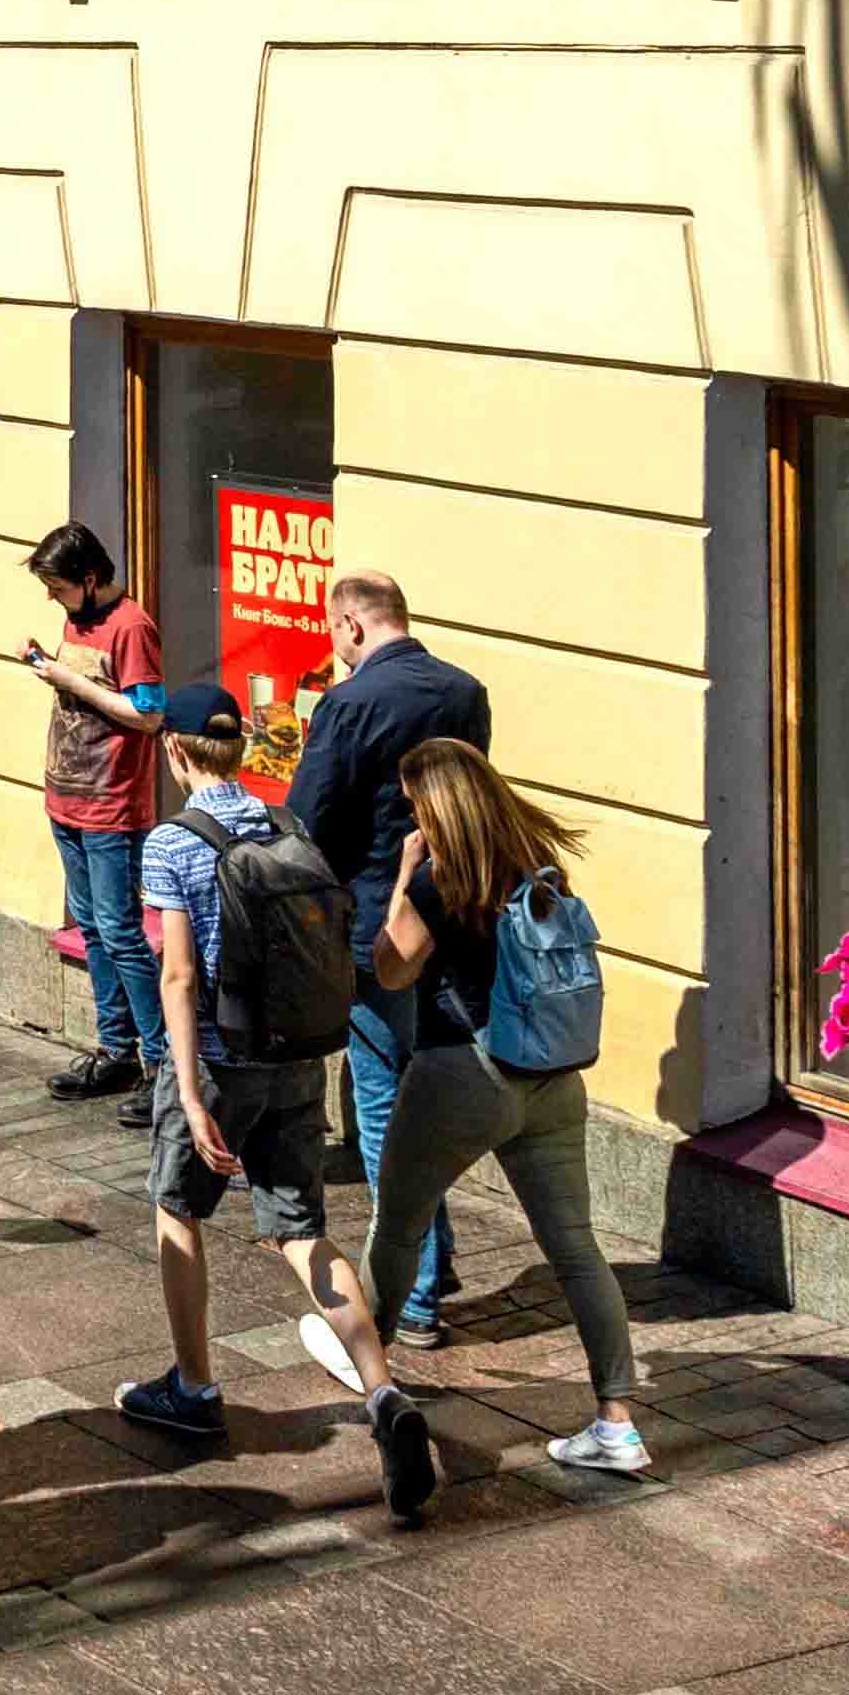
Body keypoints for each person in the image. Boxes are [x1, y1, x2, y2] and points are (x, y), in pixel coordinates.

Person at [119, 685, 438, 1523]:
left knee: (178, 1210)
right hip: (296, 1058)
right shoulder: (288, 825)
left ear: (176, 750)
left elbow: (177, 975)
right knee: (302, 1231)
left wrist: (188, 1090)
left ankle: (193, 1385)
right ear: (240, 750)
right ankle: (382, 1390)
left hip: (220, 1062)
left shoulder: (172, 843)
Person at [361, 736, 649, 1481]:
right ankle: (617, 1423)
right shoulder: (540, 868)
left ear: (437, 808)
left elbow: (390, 970)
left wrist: (403, 876)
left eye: (415, 804)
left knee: (399, 1224)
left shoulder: (441, 883)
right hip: (553, 1081)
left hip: (462, 1075)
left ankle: (371, 1374)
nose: (411, 817)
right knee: (576, 1248)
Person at [288, 570, 494, 1353]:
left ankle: (413, 1295)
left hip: (375, 929)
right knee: (420, 1096)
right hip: (451, 917)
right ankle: (432, 1267)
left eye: (332, 631)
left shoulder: (348, 703)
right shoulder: (465, 691)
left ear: (350, 623)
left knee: (383, 1109)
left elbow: (307, 821)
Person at [18, 525, 168, 1111]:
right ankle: (116, 1051)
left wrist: (68, 678)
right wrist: (46, 664)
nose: (52, 598)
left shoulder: (132, 626)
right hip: (67, 797)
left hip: (112, 804)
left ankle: (162, 1064)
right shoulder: (76, 620)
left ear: (89, 578)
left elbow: (148, 715)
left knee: (121, 931)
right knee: (93, 928)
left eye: (58, 587)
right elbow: (83, 693)